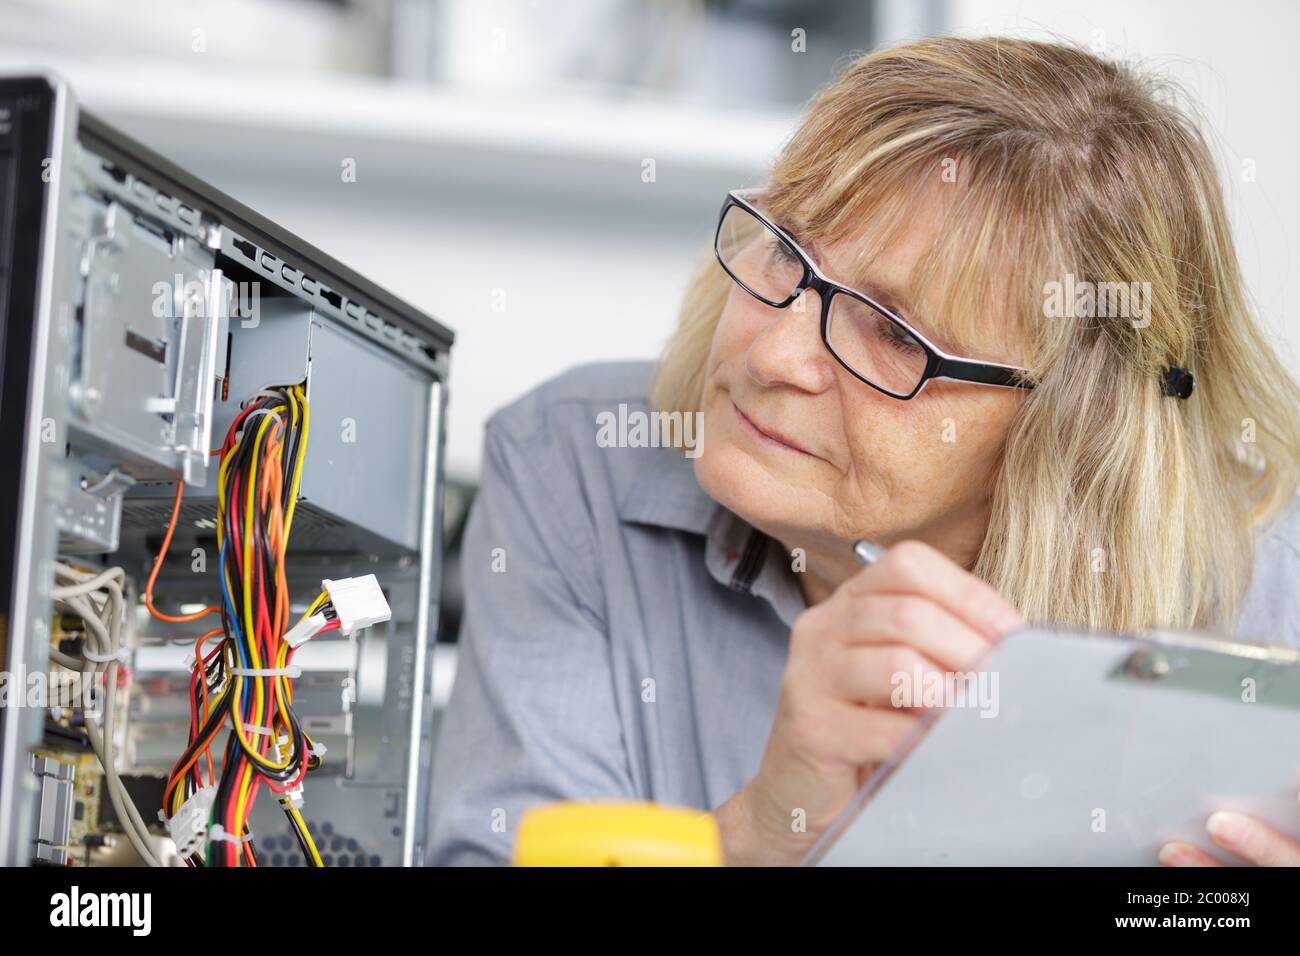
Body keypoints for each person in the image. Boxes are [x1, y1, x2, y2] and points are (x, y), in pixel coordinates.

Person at [428, 36, 1300, 866]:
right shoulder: (570, 463)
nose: (772, 357)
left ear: (1073, 424)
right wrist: (763, 830)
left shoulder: (1262, 598)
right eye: (786, 252)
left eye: (888, 331)